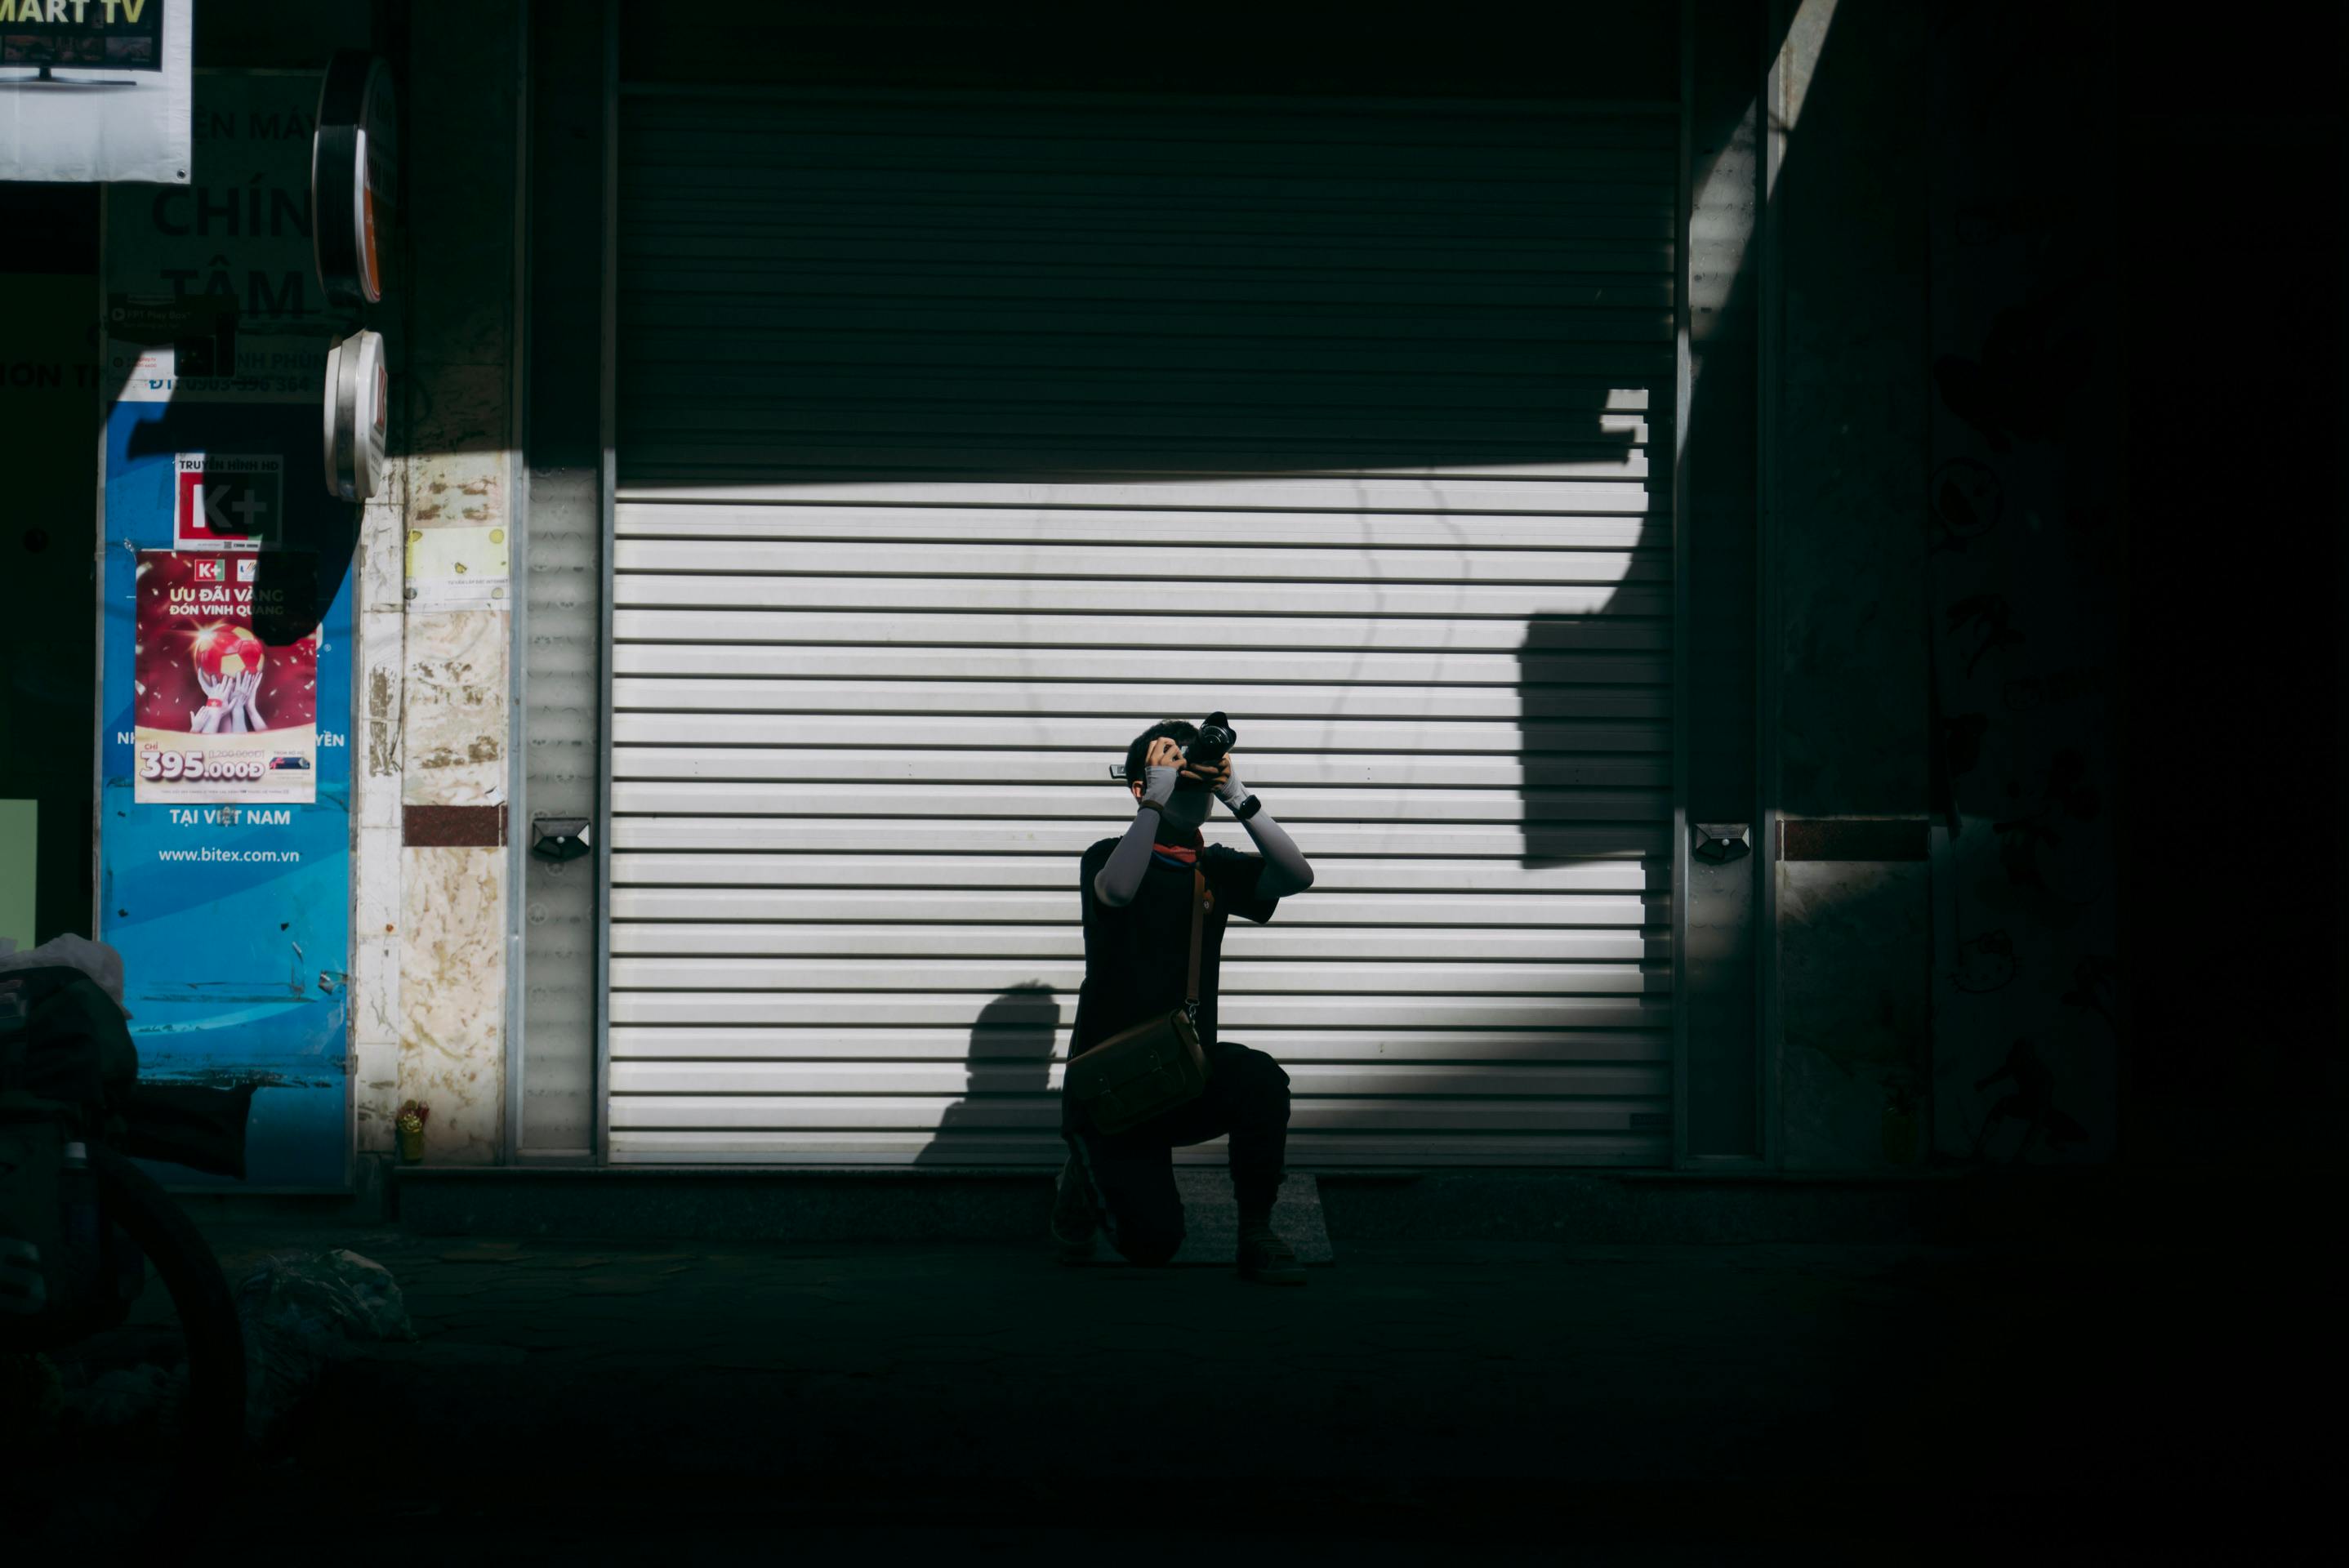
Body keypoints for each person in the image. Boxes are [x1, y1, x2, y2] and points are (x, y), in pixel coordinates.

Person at [1051, 721, 1316, 1285]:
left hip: (1181, 1074)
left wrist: (1238, 797)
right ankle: (1083, 1175)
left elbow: (1297, 877)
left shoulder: (1212, 865)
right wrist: (1154, 803)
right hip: (1113, 1088)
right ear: (1140, 787)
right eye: (1179, 783)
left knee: (1260, 1079)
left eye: (1195, 785)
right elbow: (1118, 890)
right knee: (1153, 1246)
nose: (1191, 796)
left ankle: (1255, 1232)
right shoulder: (1107, 857)